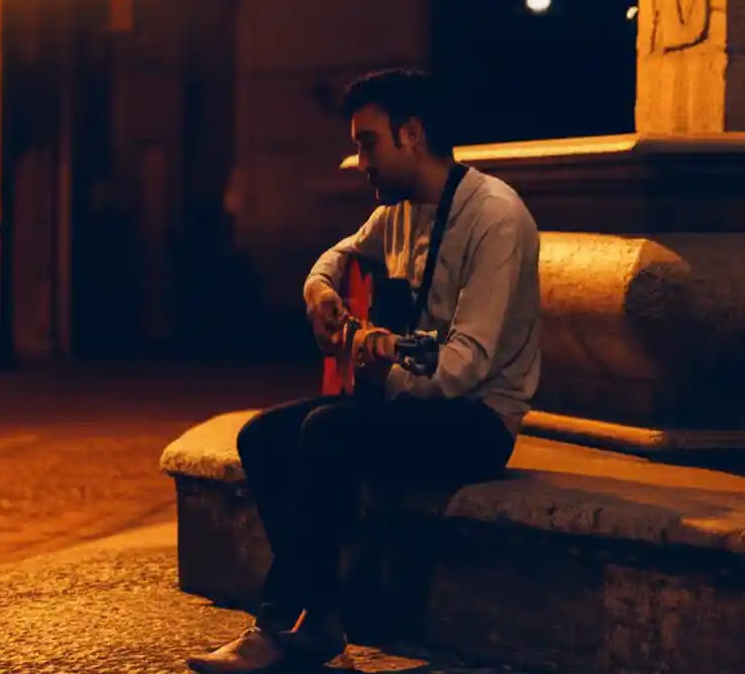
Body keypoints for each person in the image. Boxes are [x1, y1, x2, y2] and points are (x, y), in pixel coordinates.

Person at [186, 69, 541, 674]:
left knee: (329, 430)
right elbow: (338, 254)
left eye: (368, 143)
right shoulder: (397, 214)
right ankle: (321, 621)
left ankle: (274, 622)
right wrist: (320, 290)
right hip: (412, 404)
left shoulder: (495, 217)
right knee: (261, 435)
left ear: (412, 134)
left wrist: (371, 350)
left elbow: (462, 368)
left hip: (476, 420)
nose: (359, 161)